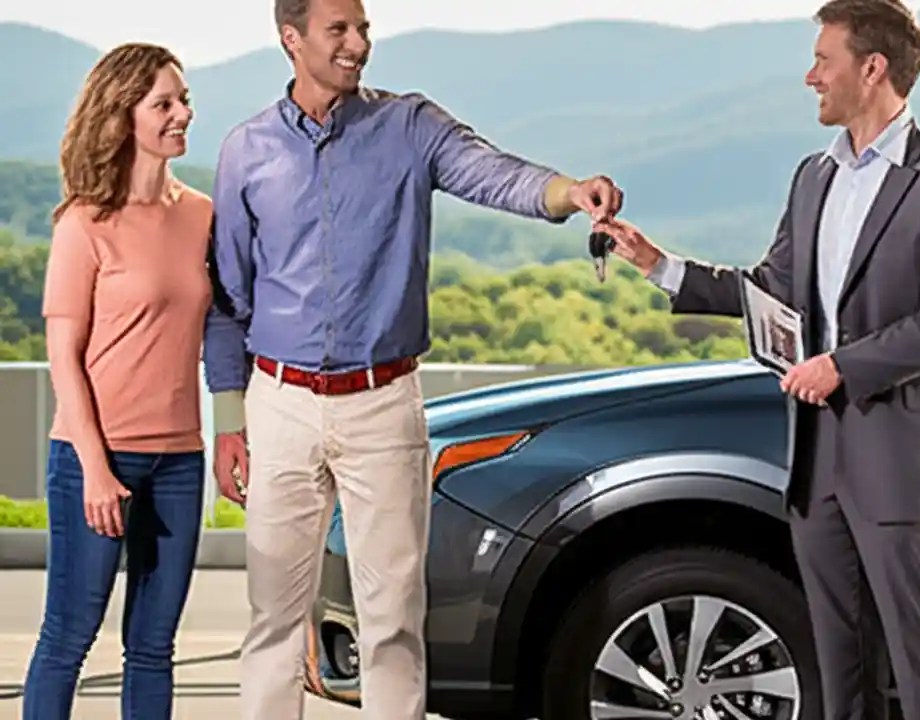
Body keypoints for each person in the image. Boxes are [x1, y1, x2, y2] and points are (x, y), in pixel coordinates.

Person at [200, 0, 623, 717]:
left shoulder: (409, 126)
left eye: (362, 28)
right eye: (339, 30)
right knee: (275, 615)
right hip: (280, 403)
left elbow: (493, 173)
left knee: (392, 616)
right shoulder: (247, 150)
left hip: (383, 404)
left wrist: (567, 193)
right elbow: (227, 299)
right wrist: (231, 418)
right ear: (291, 38)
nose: (359, 44)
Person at [591, 1, 920, 718]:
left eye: (823, 60)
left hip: (901, 466)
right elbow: (771, 292)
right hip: (819, 464)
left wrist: (839, 367)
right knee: (841, 668)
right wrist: (658, 265)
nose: (810, 76)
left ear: (872, 69)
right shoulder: (814, 177)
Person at [23, 43, 211, 720]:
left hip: (181, 460)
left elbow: (223, 325)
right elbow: (63, 355)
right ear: (122, 115)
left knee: (154, 645)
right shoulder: (84, 223)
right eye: (164, 103)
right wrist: (97, 470)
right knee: (69, 636)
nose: (182, 113)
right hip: (94, 460)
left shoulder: (202, 216)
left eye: (183, 99)